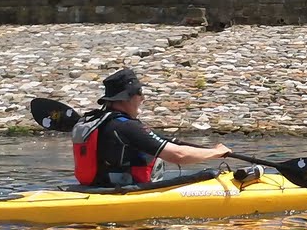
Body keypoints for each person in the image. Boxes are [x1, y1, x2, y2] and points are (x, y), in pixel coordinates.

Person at [71, 68, 230, 188]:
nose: (143, 98)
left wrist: (210, 149)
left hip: (94, 190)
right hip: (125, 194)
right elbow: (178, 155)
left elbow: (174, 145)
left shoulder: (100, 121)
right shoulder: (126, 126)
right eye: (140, 93)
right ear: (127, 97)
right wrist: (215, 153)